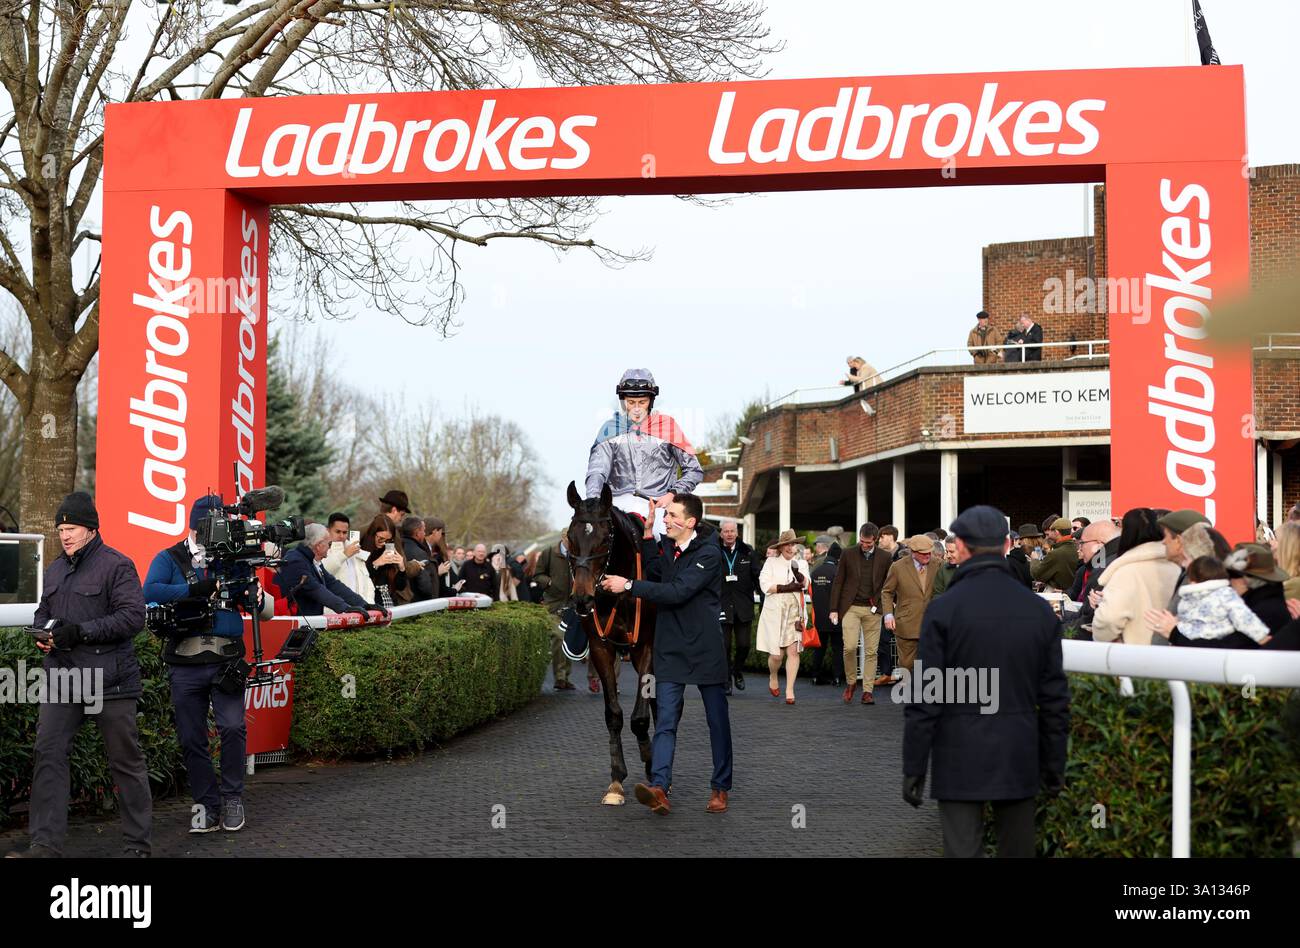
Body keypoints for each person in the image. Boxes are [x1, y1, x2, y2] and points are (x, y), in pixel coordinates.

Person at [903, 505, 1070, 858]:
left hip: (958, 753)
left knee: (962, 851)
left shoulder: (943, 610)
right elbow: (1055, 697)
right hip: (1019, 752)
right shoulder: (1038, 611)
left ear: (960, 547)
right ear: (1008, 545)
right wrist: (1054, 763)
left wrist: (915, 765)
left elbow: (925, 697)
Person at [7, 493, 151, 858]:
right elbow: (43, 614)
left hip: (111, 681)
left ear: (90, 529)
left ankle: (137, 846)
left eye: (70, 528)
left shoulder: (118, 565)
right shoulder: (54, 569)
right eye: (60, 529)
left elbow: (133, 618)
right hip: (62, 678)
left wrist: (80, 631)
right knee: (49, 754)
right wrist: (44, 634)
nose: (64, 535)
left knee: (125, 762)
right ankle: (44, 845)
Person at [598, 493, 733, 815]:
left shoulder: (710, 555)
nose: (666, 519)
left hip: (705, 650)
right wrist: (646, 534)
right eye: (665, 515)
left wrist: (629, 585)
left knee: (718, 722)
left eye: (672, 515)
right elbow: (659, 572)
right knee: (666, 722)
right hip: (670, 649)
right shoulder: (672, 549)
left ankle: (720, 788)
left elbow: (677, 591)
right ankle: (659, 786)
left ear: (690, 522)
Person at [585, 369, 703, 539]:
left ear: (651, 401)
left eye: (642, 402)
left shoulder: (668, 427)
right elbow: (597, 471)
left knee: (683, 545)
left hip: (658, 506)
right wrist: (593, 503)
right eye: (631, 402)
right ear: (623, 401)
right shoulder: (610, 429)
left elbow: (694, 470)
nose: (637, 409)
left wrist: (673, 493)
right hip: (617, 504)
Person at [1092, 508, 1181, 645]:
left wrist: (1102, 636)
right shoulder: (1177, 567)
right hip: (1175, 650)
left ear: (1126, 533)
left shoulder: (1126, 571)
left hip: (1135, 655)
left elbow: (1109, 619)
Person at [827, 522, 892, 704]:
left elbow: (888, 585)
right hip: (851, 607)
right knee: (849, 647)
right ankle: (851, 682)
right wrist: (834, 609)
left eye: (868, 543)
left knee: (871, 652)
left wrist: (884, 607)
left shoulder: (885, 557)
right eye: (862, 542)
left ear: (876, 540)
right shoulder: (848, 553)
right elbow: (838, 582)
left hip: (874, 609)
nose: (864, 545)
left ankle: (868, 691)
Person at [1158, 557, 1273, 648]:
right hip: (1218, 640)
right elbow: (1242, 616)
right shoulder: (1225, 593)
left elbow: (1182, 620)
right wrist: (1261, 636)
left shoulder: (1186, 598)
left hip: (1188, 641)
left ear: (1192, 580)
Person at [534, 539, 599, 692]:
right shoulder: (549, 553)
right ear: (563, 539)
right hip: (553, 606)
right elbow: (537, 574)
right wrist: (549, 582)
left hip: (572, 606)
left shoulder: (578, 554)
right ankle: (560, 678)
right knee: (560, 637)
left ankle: (566, 678)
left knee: (568, 639)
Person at [278, 523, 379, 617]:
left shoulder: (310, 559)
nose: (330, 548)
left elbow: (332, 584)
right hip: (294, 622)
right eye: (329, 544)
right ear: (318, 545)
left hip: (306, 620)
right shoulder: (296, 560)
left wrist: (363, 604)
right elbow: (316, 589)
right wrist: (344, 608)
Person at [755, 530, 810, 705]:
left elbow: (806, 584)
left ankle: (790, 690)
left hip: (795, 613)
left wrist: (799, 576)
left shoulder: (801, 563)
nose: (790, 547)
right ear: (780, 547)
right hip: (775, 613)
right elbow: (765, 585)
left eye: (793, 544)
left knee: (793, 652)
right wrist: (786, 587)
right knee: (777, 656)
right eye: (787, 544)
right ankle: (773, 676)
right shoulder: (771, 562)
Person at [881, 535, 939, 674]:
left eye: (929, 552)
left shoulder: (938, 564)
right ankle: (907, 688)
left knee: (930, 661)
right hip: (906, 622)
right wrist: (888, 615)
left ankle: (927, 690)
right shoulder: (898, 567)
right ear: (913, 552)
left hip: (931, 622)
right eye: (923, 553)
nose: (927, 555)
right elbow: (887, 592)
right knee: (906, 663)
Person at [717, 519, 762, 695]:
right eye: (726, 531)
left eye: (732, 531)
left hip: (743, 606)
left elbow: (758, 577)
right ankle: (727, 677)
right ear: (721, 533)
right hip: (722, 605)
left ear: (737, 533)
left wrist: (766, 598)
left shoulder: (748, 552)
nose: (729, 534)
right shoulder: (714, 551)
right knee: (724, 646)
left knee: (744, 645)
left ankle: (737, 670)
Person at [809, 537, 844, 686]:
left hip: (819, 617)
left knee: (819, 649)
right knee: (837, 648)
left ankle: (815, 676)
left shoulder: (815, 572)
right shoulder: (838, 572)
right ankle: (837, 677)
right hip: (835, 616)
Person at [322, 512, 375, 602]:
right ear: (328, 531)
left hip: (360, 609)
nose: (341, 536)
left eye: (345, 532)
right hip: (337, 611)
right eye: (338, 532)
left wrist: (369, 603)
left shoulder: (356, 550)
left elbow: (367, 581)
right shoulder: (322, 549)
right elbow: (322, 572)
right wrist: (344, 555)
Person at [359, 513, 409, 607]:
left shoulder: (388, 550)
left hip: (389, 603)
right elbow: (360, 580)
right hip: (370, 603)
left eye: (388, 540)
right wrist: (376, 564)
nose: (383, 543)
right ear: (373, 534)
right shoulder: (361, 550)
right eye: (380, 539)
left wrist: (402, 568)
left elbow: (400, 586)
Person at [1031, 518, 1079, 591]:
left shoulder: (1056, 553)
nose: (1048, 536)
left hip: (1056, 595)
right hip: (1070, 593)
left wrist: (1035, 559)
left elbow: (1037, 574)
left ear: (1056, 532)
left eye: (1050, 532)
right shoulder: (1077, 548)